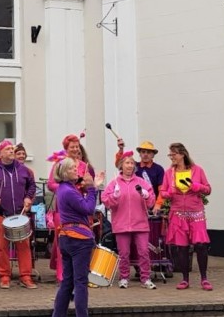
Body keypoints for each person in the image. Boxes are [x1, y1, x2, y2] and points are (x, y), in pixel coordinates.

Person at [0, 140, 38, 290]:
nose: (11, 151)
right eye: (8, 149)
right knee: (2, 246)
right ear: (1, 153)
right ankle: (4, 275)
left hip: (20, 214)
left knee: (24, 246)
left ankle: (26, 276)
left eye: (12, 148)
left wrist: (28, 197)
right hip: (1, 214)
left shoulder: (24, 170)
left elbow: (32, 185)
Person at [51, 157, 105, 317]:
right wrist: (92, 189)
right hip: (78, 239)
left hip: (66, 237)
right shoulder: (69, 191)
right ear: (66, 172)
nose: (77, 170)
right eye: (73, 168)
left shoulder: (63, 189)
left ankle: (58, 314)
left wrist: (91, 185)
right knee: (80, 282)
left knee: (67, 281)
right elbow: (88, 208)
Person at [158, 142, 213, 291]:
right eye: (170, 155)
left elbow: (208, 189)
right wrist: (168, 193)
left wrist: (196, 186)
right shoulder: (169, 173)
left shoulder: (197, 170)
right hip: (178, 213)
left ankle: (204, 278)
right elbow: (162, 191)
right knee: (181, 247)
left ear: (182, 154)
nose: (172, 157)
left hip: (196, 212)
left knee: (201, 245)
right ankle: (185, 279)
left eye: (173, 154)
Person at [101, 151, 156, 289]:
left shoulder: (142, 182)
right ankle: (124, 277)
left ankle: (146, 278)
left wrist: (146, 196)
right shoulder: (114, 183)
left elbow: (151, 202)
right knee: (124, 253)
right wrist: (115, 196)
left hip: (140, 223)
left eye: (132, 163)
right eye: (127, 163)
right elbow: (107, 202)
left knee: (143, 252)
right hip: (121, 224)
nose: (130, 165)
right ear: (121, 165)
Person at [47, 134, 95, 282]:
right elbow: (51, 184)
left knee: (82, 242)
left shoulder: (85, 166)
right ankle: (63, 274)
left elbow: (90, 183)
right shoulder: (60, 164)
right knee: (64, 241)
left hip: (81, 207)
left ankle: (81, 271)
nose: (75, 149)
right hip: (64, 209)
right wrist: (69, 188)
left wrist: (89, 186)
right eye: (72, 147)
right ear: (66, 149)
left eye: (77, 146)